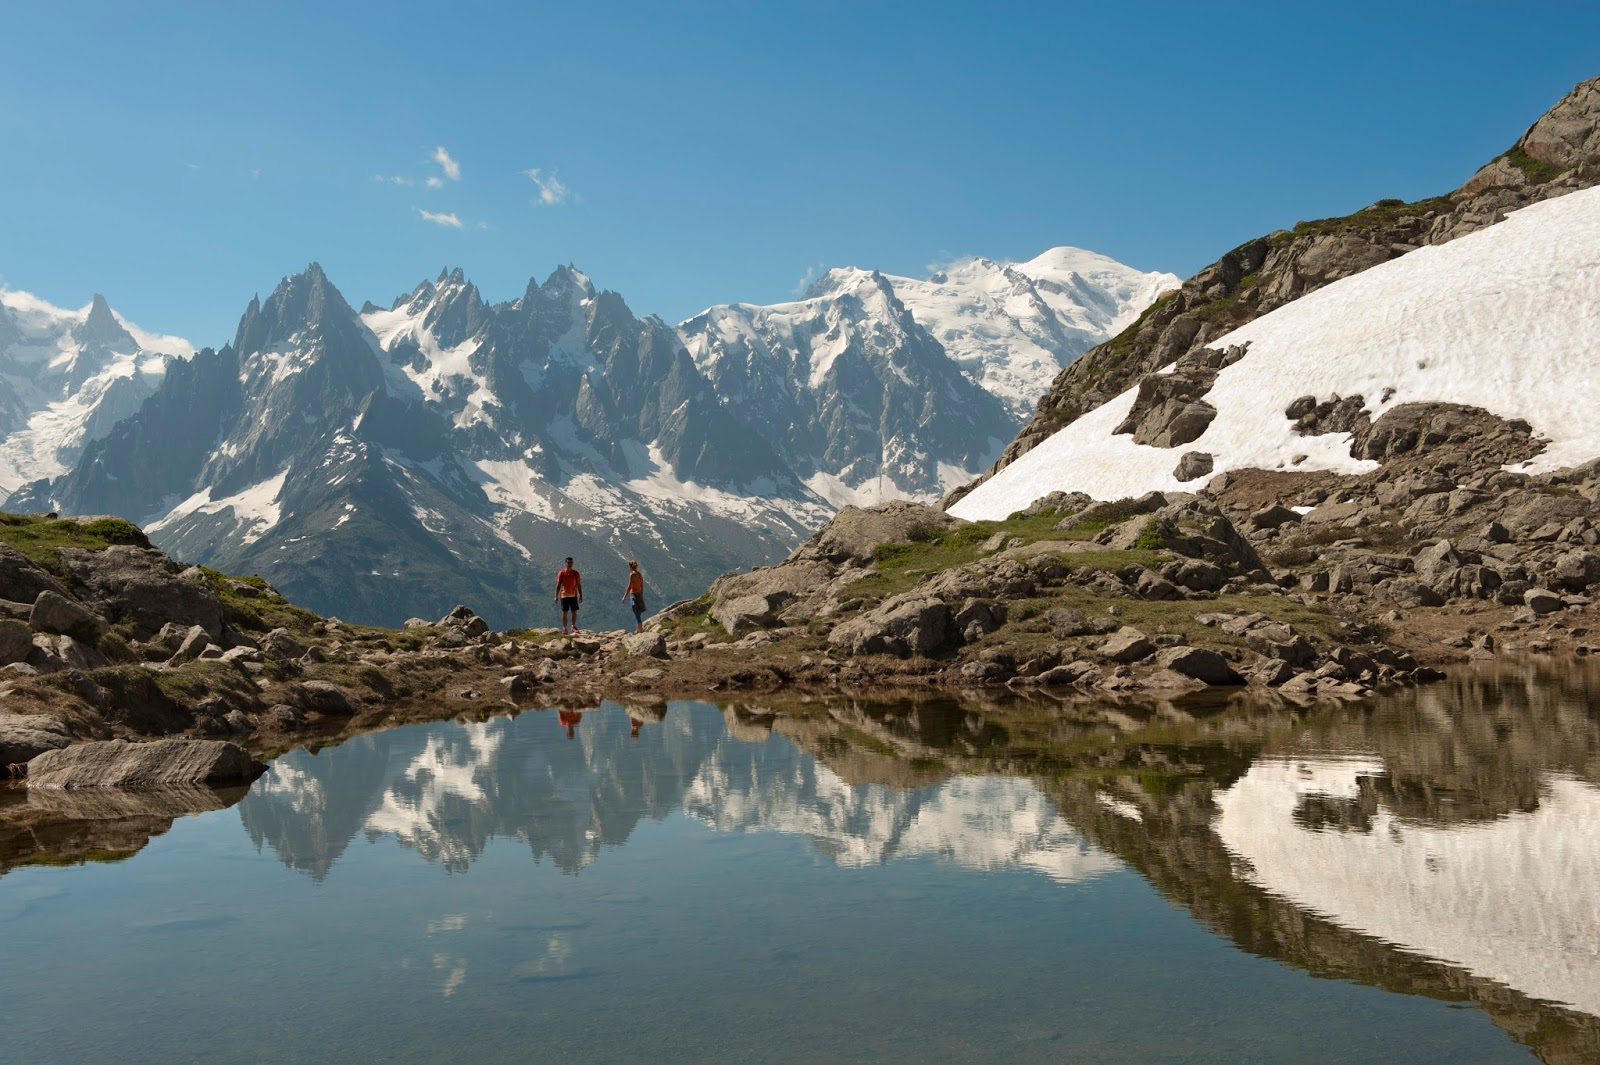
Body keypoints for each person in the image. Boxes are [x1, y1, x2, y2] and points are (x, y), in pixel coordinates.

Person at [554, 557, 584, 634]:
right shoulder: (562, 573)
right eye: (568, 562)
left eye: (571, 562)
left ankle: (573, 626)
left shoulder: (576, 573)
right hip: (564, 595)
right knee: (565, 612)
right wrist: (556, 596)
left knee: (574, 611)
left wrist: (581, 595)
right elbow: (558, 584)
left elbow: (578, 584)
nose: (570, 564)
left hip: (573, 595)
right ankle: (564, 628)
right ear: (565, 563)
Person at [621, 560, 647, 633]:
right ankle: (638, 630)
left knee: (636, 613)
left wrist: (624, 597)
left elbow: (629, 586)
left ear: (630, 566)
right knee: (638, 613)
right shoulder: (639, 574)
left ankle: (640, 631)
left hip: (633, 596)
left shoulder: (632, 575)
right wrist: (641, 595)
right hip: (639, 594)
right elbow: (642, 585)